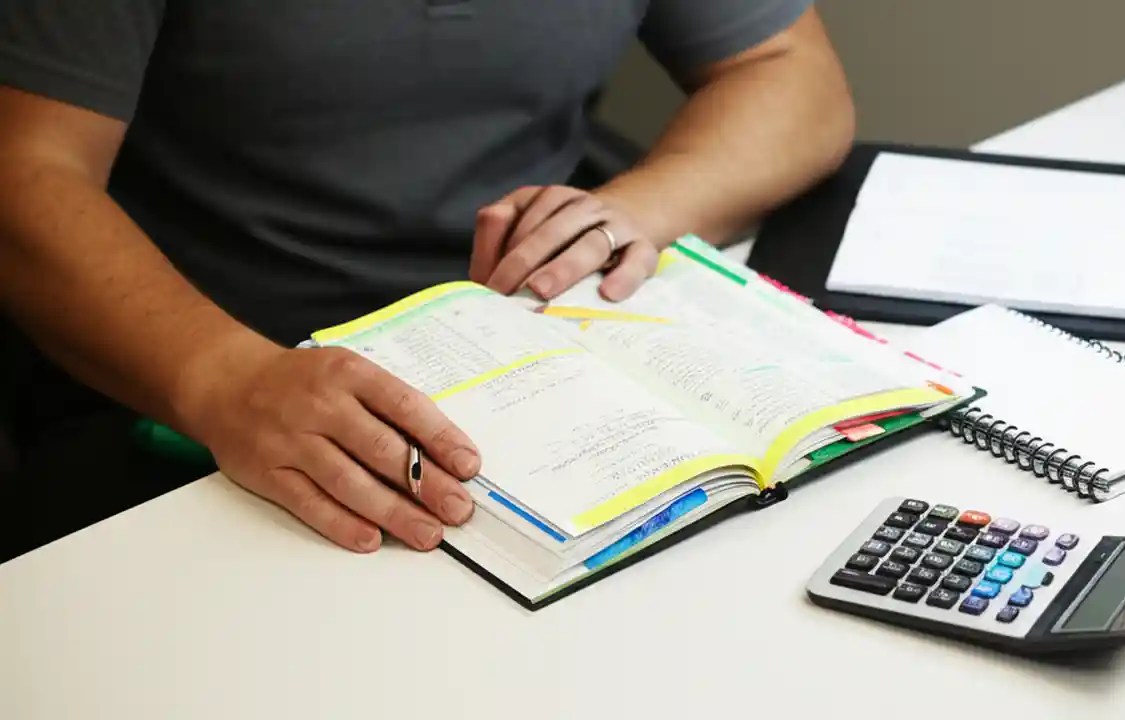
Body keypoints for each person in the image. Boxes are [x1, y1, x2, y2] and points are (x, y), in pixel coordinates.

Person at [0, 1, 855, 556]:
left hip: (527, 347)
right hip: (204, 380)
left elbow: (787, 69)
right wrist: (221, 378)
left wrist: (640, 207)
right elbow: (26, 171)